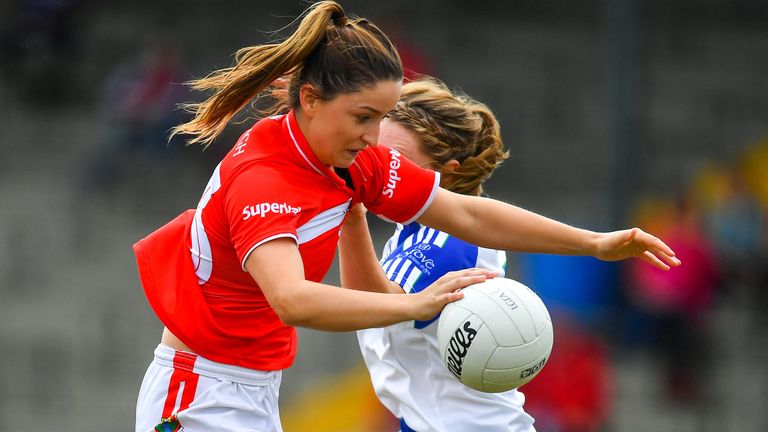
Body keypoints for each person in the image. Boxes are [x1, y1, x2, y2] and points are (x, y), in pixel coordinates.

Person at [132, 2, 680, 431]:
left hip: (251, 386)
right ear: (310, 99)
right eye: (363, 117)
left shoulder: (346, 160)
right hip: (200, 391)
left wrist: (596, 243)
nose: (373, 138)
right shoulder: (264, 179)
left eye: (382, 119)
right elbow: (291, 298)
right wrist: (415, 303)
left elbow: (465, 211)